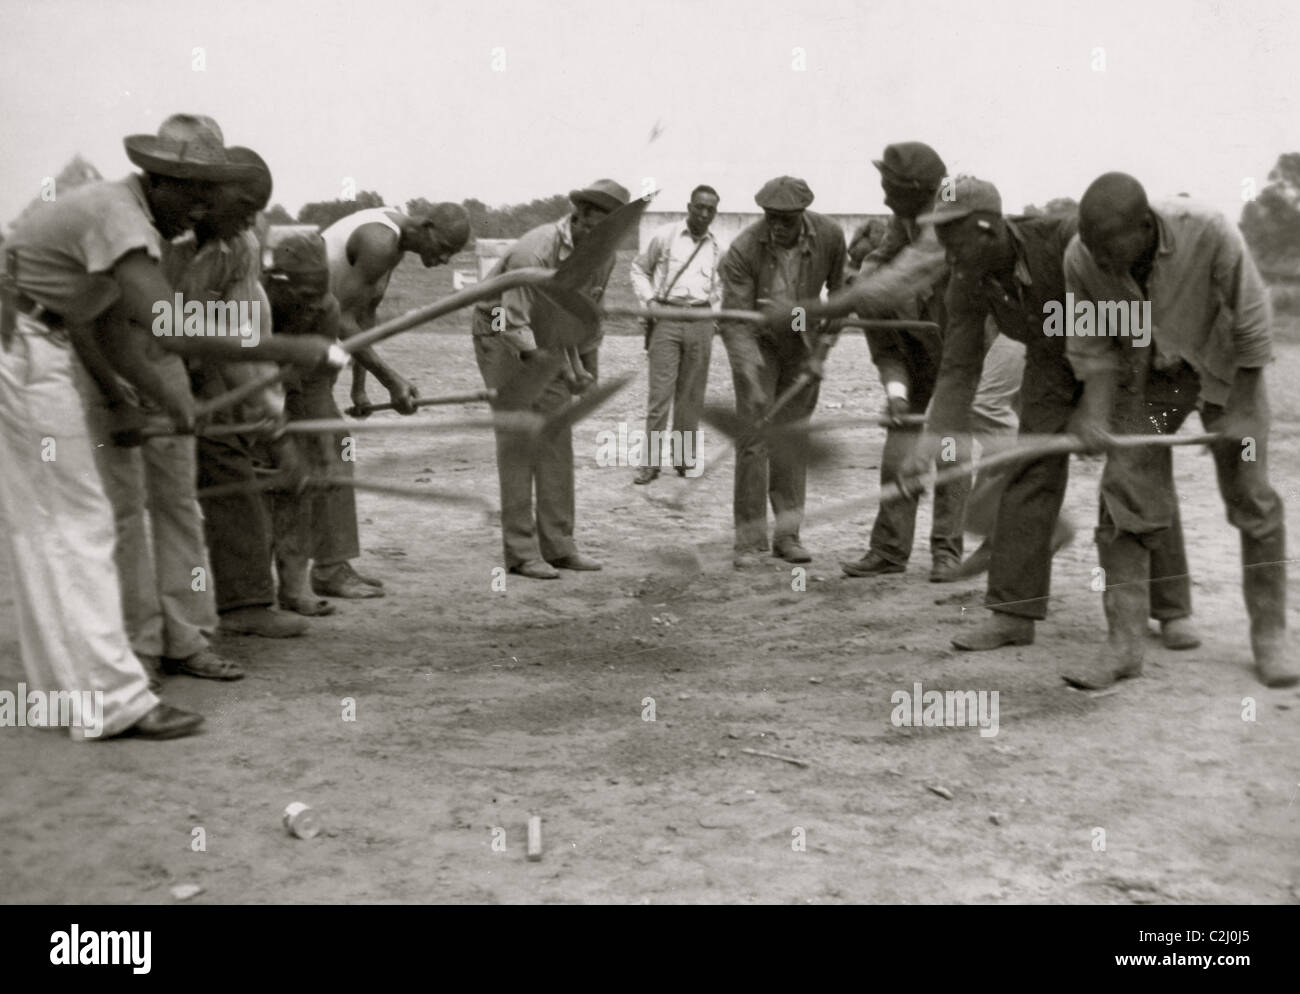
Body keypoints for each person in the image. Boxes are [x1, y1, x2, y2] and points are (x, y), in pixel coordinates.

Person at [0, 114, 338, 740]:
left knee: (51, 528)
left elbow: (103, 324)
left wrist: (157, 397)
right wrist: (290, 348)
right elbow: (170, 324)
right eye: (194, 194)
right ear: (160, 183)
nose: (199, 208)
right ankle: (115, 701)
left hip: (32, 340)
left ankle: (68, 693)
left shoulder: (131, 218)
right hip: (22, 345)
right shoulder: (120, 216)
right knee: (82, 526)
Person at [900, 176, 1199, 653]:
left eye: (952, 233)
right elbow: (959, 367)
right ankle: (1014, 614)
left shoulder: (1064, 240)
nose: (945, 247)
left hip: (1123, 354)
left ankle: (1172, 609)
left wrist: (1096, 405)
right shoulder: (967, 278)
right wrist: (931, 440)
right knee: (1030, 470)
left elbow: (1130, 312)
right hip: (1049, 364)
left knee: (1139, 467)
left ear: (987, 227)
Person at [1063, 172, 1294, 688]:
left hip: (1226, 370)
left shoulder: (1208, 229)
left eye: (1108, 248)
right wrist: (1096, 413)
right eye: (1091, 247)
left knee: (1252, 496)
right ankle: (1123, 644)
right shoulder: (1082, 257)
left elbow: (1253, 314)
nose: (1098, 259)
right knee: (1125, 491)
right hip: (1152, 381)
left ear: (1144, 227)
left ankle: (1271, 638)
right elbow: (1091, 342)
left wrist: (1242, 409)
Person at [184, 149, 313, 638]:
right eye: (242, 205)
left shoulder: (239, 246)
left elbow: (236, 341)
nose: (250, 219)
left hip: (194, 361)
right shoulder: (161, 236)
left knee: (228, 468)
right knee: (148, 498)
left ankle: (244, 604)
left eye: (257, 209)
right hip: (123, 361)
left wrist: (272, 427)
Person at [471, 179, 627, 579]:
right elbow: (511, 318)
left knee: (556, 434)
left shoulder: (603, 255)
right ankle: (522, 552)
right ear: (578, 218)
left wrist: (587, 369)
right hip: (501, 329)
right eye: (595, 227)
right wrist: (535, 363)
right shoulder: (535, 250)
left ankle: (559, 545)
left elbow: (589, 313)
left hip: (551, 332)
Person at [314, 202, 471, 597]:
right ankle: (328, 570)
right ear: (426, 225)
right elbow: (340, 321)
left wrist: (360, 387)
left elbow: (364, 319)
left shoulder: (395, 243)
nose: (445, 258)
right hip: (295, 346)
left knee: (326, 451)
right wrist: (392, 381)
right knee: (332, 451)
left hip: (316, 348)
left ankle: (326, 565)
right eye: (446, 246)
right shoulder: (380, 241)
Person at [719, 176, 846, 568]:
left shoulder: (830, 235)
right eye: (770, 217)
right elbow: (734, 322)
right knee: (754, 440)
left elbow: (841, 297)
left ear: (802, 215)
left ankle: (788, 536)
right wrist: (750, 377)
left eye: (785, 219)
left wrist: (821, 352)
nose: (776, 225)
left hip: (802, 343)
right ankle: (749, 541)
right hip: (758, 342)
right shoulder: (743, 248)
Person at [629, 184, 723, 483]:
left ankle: (683, 459)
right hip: (667, 318)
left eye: (710, 209)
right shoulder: (666, 236)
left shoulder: (716, 247)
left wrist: (715, 319)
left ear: (714, 213)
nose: (704, 214)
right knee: (660, 396)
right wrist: (651, 302)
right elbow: (639, 269)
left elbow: (721, 288)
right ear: (689, 207)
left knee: (691, 396)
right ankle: (651, 463)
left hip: (701, 320)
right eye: (699, 207)